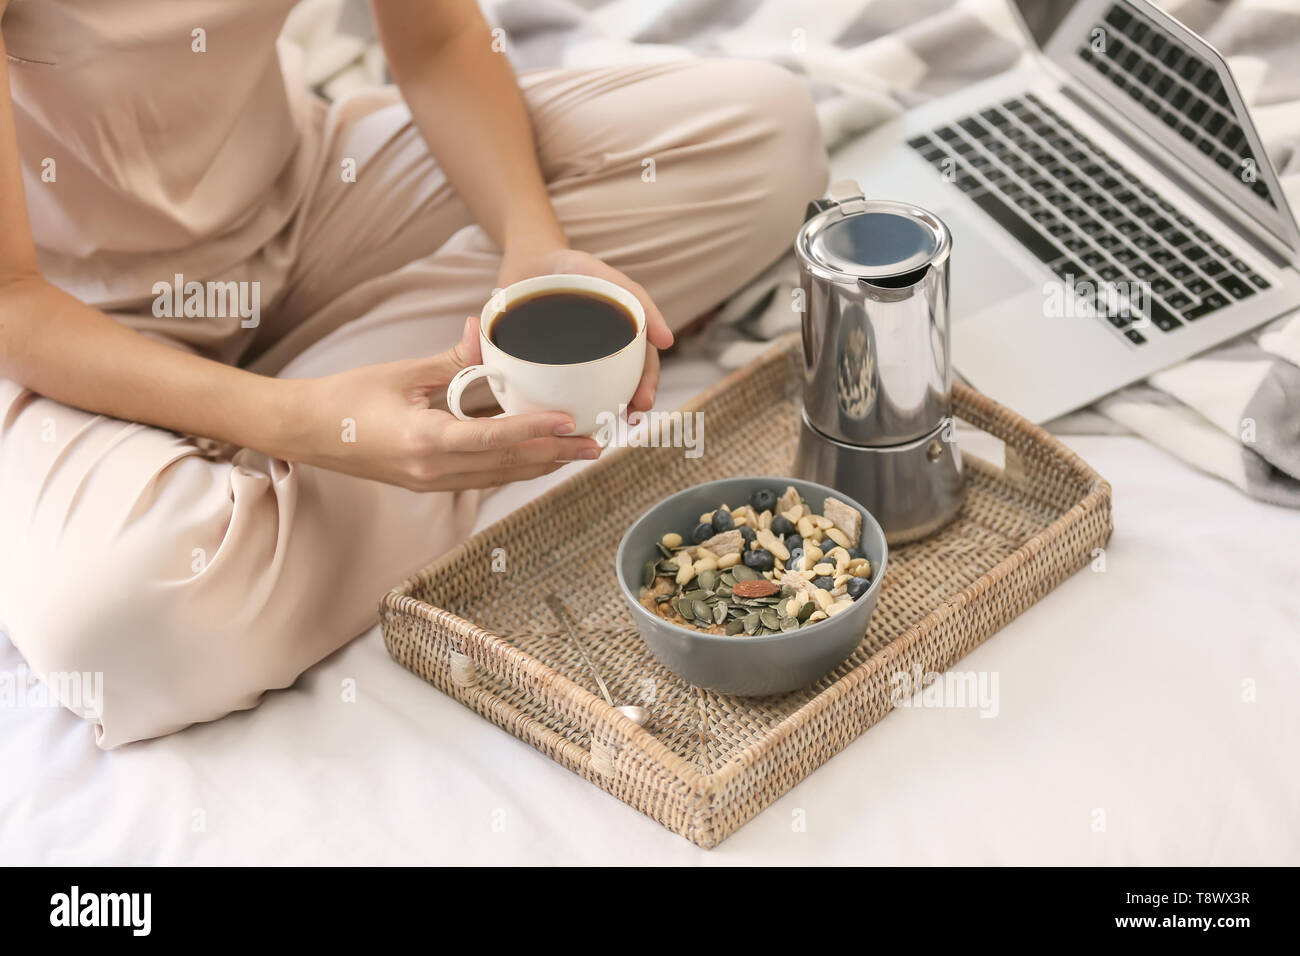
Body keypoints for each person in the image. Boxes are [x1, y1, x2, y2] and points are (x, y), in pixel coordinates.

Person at [0, 0, 828, 747]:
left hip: (310, 206)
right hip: (76, 325)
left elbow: (436, 41)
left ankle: (303, 478)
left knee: (767, 132)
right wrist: (297, 420)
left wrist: (531, 250)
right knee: (114, 633)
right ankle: (354, 433)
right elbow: (11, 296)